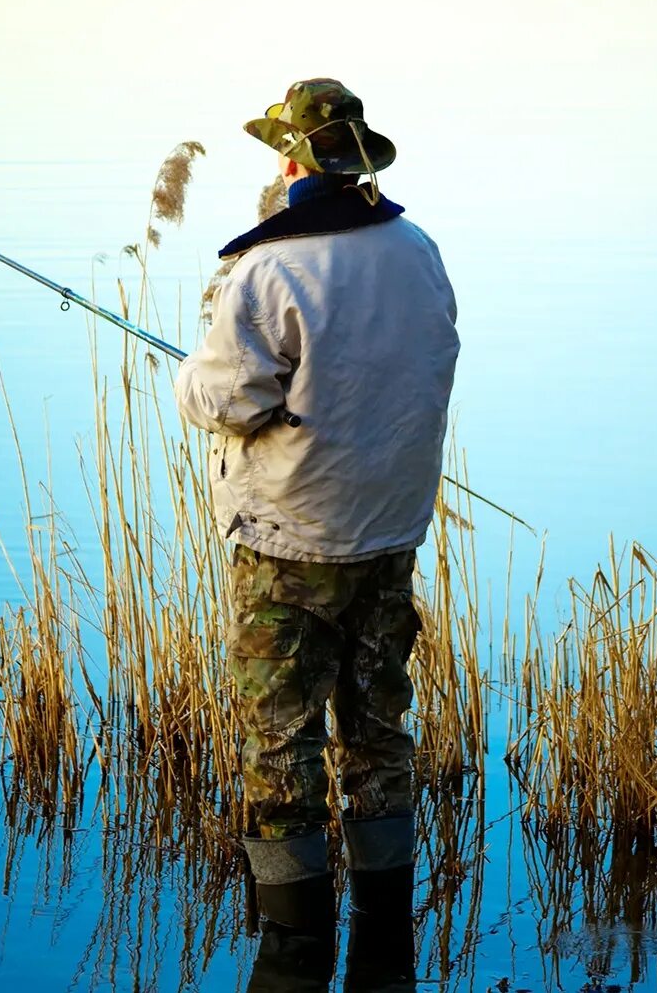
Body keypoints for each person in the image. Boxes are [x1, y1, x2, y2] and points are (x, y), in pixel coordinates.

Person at [174, 78, 460, 940]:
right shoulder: (417, 249)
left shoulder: (269, 268)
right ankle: (383, 923)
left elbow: (227, 400)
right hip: (389, 529)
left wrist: (186, 375)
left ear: (294, 160)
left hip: (288, 539)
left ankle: (293, 940)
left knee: (281, 735)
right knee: (378, 726)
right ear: (360, 162)